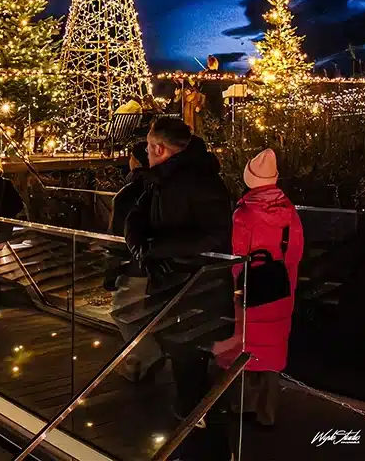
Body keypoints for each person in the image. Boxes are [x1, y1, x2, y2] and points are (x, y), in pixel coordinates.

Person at [125, 116, 234, 420]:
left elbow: (216, 233)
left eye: (148, 148)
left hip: (192, 287)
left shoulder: (198, 181)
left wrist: (155, 248)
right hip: (173, 283)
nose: (145, 153)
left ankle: (195, 424)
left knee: (189, 361)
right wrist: (140, 246)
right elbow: (135, 215)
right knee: (181, 356)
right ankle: (192, 417)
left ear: (159, 148)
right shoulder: (163, 179)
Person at [215, 149, 304, 428]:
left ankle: (242, 407)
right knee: (272, 351)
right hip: (281, 290)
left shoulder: (244, 214)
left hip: (250, 292)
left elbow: (236, 256)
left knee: (245, 349)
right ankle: (268, 412)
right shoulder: (290, 211)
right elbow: (296, 252)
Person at [105, 141, 164, 382]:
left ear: (136, 161)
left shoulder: (127, 195)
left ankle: (151, 354)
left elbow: (115, 236)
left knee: (122, 312)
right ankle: (136, 365)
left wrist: (110, 270)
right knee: (142, 313)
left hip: (133, 263)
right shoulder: (161, 188)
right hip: (159, 262)